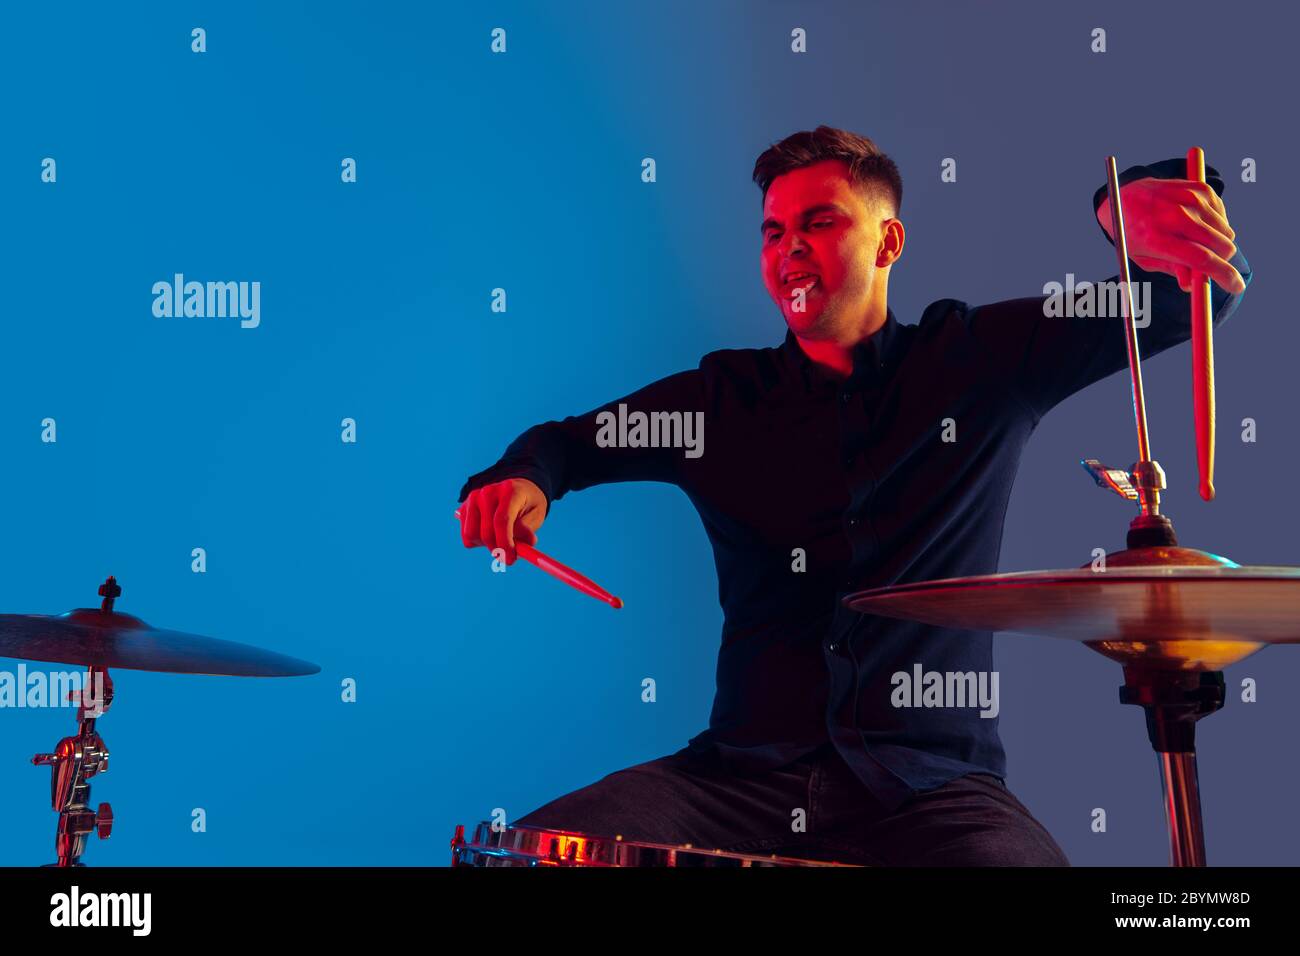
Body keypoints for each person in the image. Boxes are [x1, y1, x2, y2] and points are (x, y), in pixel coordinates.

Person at [456, 126, 1249, 865]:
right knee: (530, 856)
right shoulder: (717, 402)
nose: (790, 248)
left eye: (820, 222)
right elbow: (564, 446)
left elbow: (1189, 298)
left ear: (889, 242)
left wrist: (1126, 206)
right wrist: (520, 481)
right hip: (736, 780)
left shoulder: (984, 360)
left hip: (938, 787)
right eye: (773, 232)